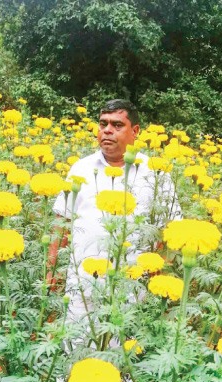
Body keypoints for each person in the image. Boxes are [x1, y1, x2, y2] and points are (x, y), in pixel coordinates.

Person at [50, 99, 181, 323]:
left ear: (135, 131)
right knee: (78, 350)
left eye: (117, 125)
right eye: (103, 124)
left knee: (126, 353)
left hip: (134, 291)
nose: (107, 130)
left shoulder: (156, 174)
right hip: (83, 287)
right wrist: (51, 269)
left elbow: (173, 230)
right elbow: (61, 222)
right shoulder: (81, 168)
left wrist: (158, 270)